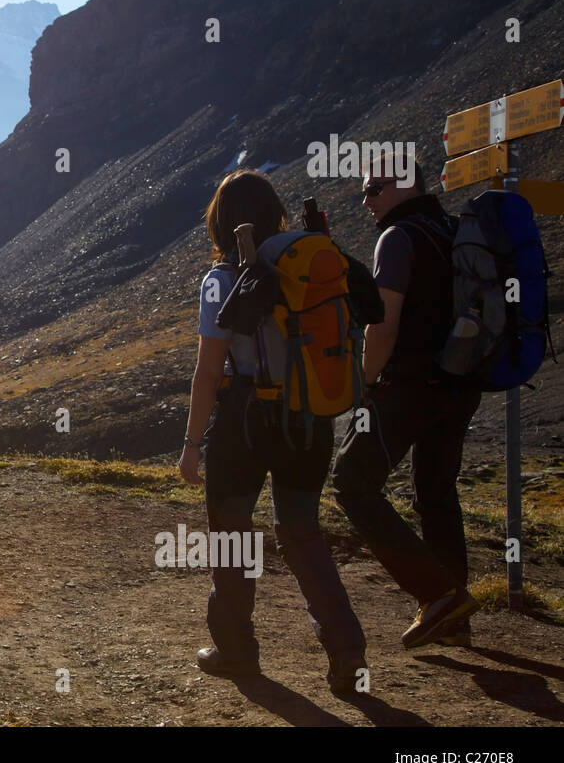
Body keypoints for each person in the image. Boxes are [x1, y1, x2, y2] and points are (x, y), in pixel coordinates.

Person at [179, 169, 368, 694]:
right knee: (302, 532)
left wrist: (192, 447)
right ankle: (346, 649)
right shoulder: (312, 265)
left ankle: (235, 651)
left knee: (233, 532)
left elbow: (209, 371)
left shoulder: (222, 279)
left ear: (220, 221)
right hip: (309, 415)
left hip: (245, 417)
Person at [329, 153, 482, 648]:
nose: (367, 200)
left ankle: (436, 593)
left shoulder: (398, 238)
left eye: (373, 189)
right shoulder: (456, 230)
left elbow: (383, 323)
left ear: (402, 185)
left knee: (352, 481)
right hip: (461, 384)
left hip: (408, 387)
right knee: (436, 491)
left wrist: (362, 386)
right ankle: (452, 611)